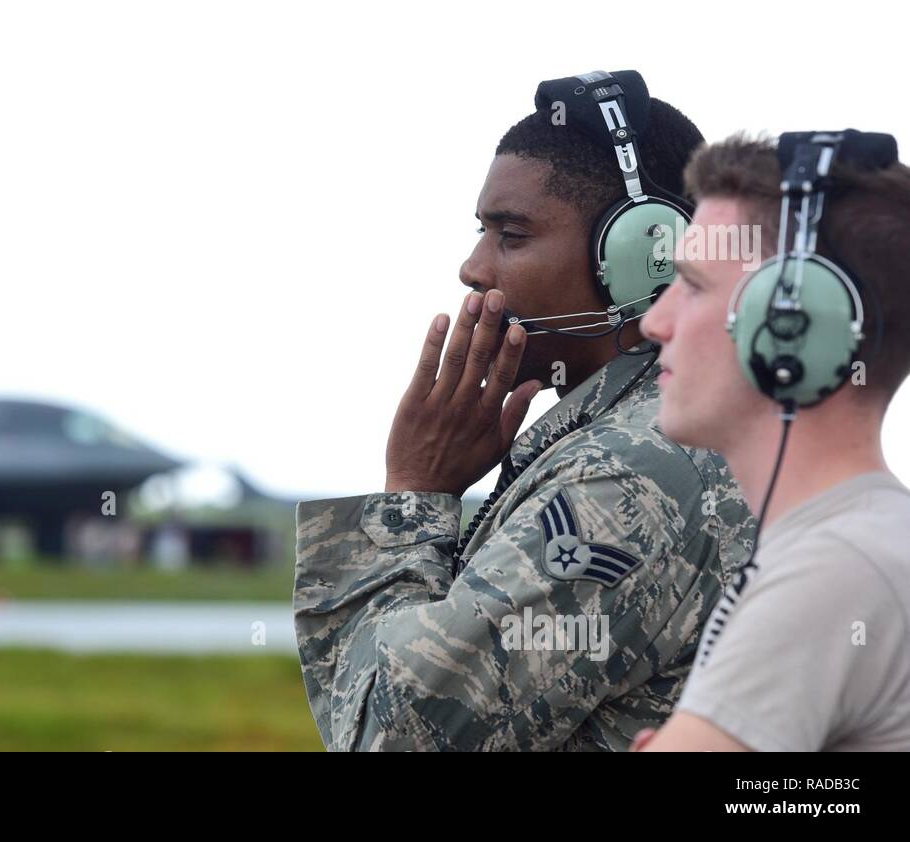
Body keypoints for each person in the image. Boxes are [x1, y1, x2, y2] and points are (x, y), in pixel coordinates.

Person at [293, 71, 753, 751]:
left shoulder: (626, 478)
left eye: (510, 236)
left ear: (640, 258)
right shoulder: (669, 434)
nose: (473, 268)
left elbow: (390, 739)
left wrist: (414, 496)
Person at [635, 131, 910, 751]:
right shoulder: (862, 544)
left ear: (793, 320)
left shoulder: (836, 571)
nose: (655, 321)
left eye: (694, 284)